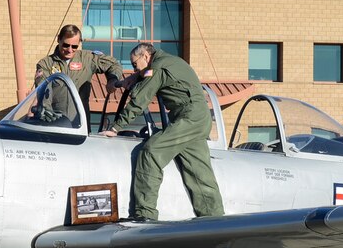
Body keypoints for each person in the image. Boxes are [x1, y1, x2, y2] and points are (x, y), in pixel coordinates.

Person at [100, 42, 224, 221]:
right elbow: (149, 74)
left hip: (188, 118)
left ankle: (144, 214)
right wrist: (137, 75)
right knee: (198, 173)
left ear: (145, 56)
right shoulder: (167, 61)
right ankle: (215, 221)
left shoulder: (157, 68)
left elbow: (140, 99)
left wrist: (115, 127)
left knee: (150, 152)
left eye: (135, 64)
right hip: (199, 118)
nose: (134, 68)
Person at [34, 24, 124, 107]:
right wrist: (46, 109)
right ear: (58, 39)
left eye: (74, 46)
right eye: (66, 45)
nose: (69, 50)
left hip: (80, 122)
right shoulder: (46, 64)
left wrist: (112, 79)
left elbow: (114, 64)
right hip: (55, 120)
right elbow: (43, 90)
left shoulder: (87, 59)